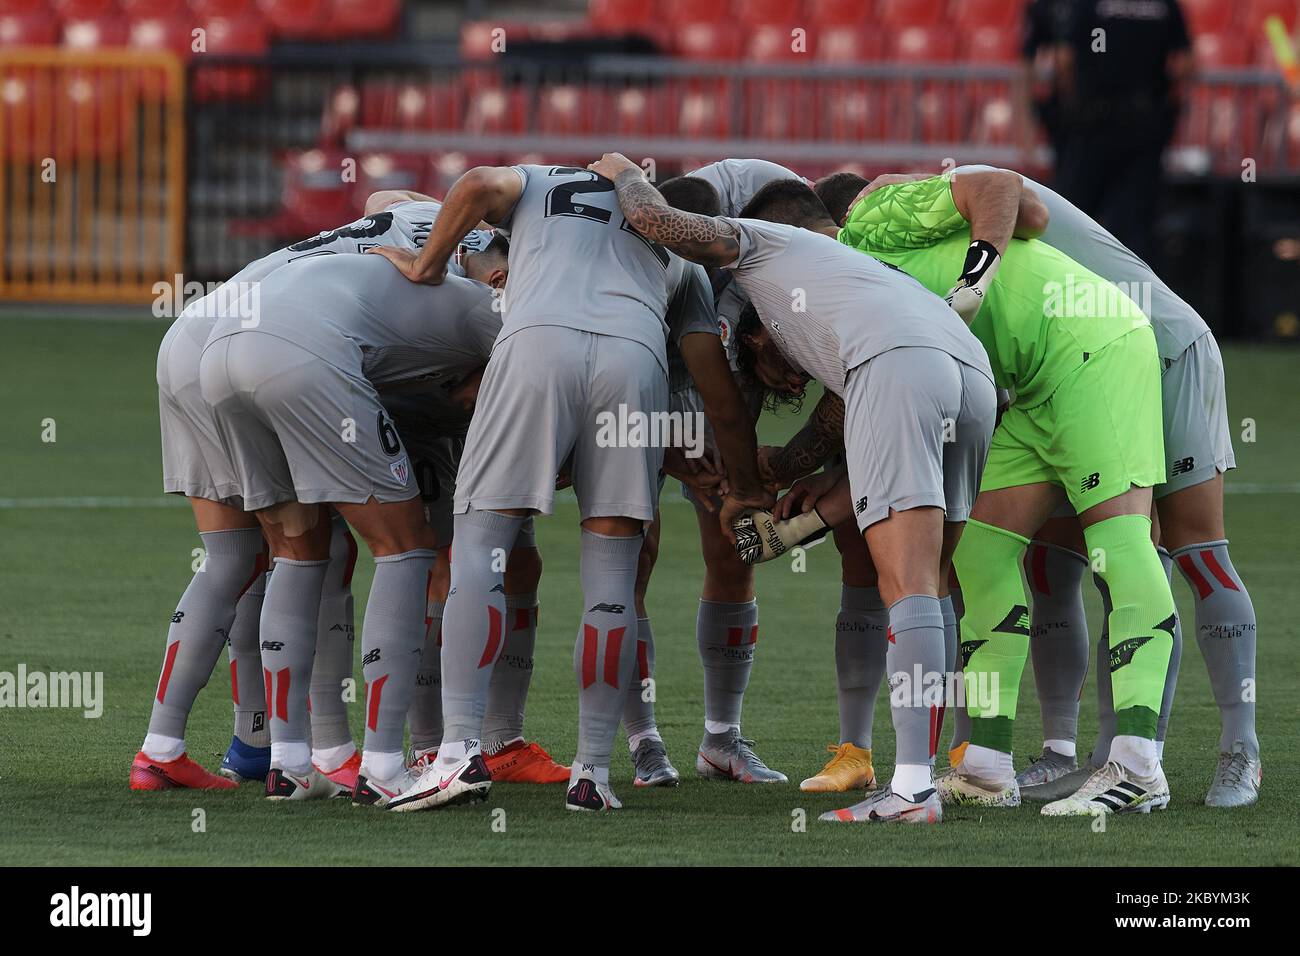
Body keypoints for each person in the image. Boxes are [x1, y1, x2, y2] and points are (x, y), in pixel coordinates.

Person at [595, 155, 996, 824]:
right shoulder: (857, 277)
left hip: (896, 365)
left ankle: (914, 790)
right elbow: (837, 418)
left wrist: (623, 174)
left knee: (907, 585)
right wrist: (788, 479)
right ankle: (920, 778)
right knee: (931, 578)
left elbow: (651, 219)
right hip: (966, 367)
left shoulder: (761, 243)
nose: (782, 381)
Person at [370, 163, 770, 812]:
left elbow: (471, 183)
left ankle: (458, 754)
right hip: (632, 363)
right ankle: (593, 773)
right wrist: (744, 484)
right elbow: (716, 390)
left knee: (480, 551)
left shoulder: (536, 181)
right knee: (613, 576)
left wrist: (424, 267)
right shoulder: (680, 249)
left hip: (535, 347)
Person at [197, 251, 503, 802]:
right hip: (301, 353)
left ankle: (289, 764)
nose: (468, 401)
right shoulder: (499, 311)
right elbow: (526, 391)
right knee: (407, 547)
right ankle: (385, 767)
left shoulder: (415, 273)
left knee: (297, 551)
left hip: (219, 356)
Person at [1054, 0, 1193, 267]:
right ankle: (1135, 298)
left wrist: (1073, 108)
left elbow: (1064, 61)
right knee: (1136, 225)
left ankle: (1067, 287)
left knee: (1073, 216)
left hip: (1094, 125)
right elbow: (1185, 64)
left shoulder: (1090, 4)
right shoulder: (1164, 5)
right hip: (1145, 126)